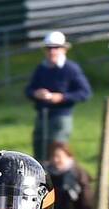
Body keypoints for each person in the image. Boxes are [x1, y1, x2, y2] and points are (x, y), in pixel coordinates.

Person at [25, 31, 92, 161]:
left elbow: (85, 93)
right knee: (39, 153)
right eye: (49, 48)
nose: (52, 51)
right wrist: (36, 93)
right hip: (42, 116)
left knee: (56, 154)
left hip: (61, 117)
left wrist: (62, 97)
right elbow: (28, 90)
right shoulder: (41, 68)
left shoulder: (71, 69)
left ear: (64, 49)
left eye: (56, 48)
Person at [45, 141, 92, 209]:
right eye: (53, 156)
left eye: (59, 157)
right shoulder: (46, 173)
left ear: (68, 156)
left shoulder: (77, 173)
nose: (55, 160)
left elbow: (86, 197)